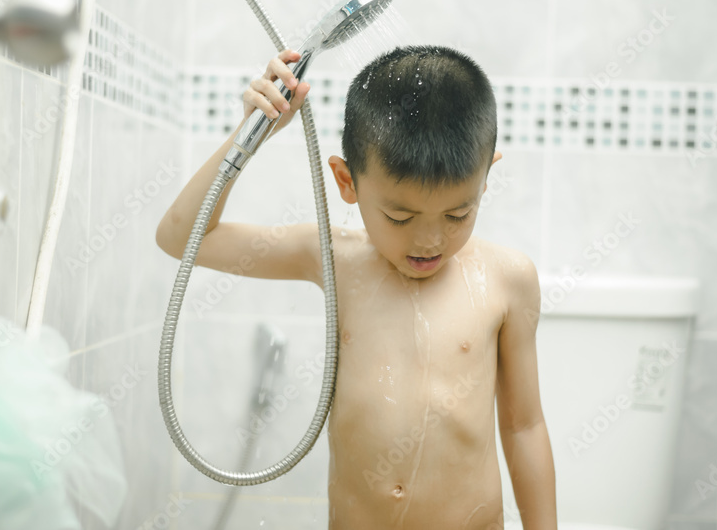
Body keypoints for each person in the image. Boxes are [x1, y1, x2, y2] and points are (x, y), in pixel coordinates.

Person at [156, 45, 557, 529]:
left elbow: (524, 425)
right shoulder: (334, 258)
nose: (429, 240)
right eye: (400, 217)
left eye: (457, 214)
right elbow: (182, 237)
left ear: (485, 178)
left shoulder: (507, 279)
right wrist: (251, 133)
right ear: (348, 182)